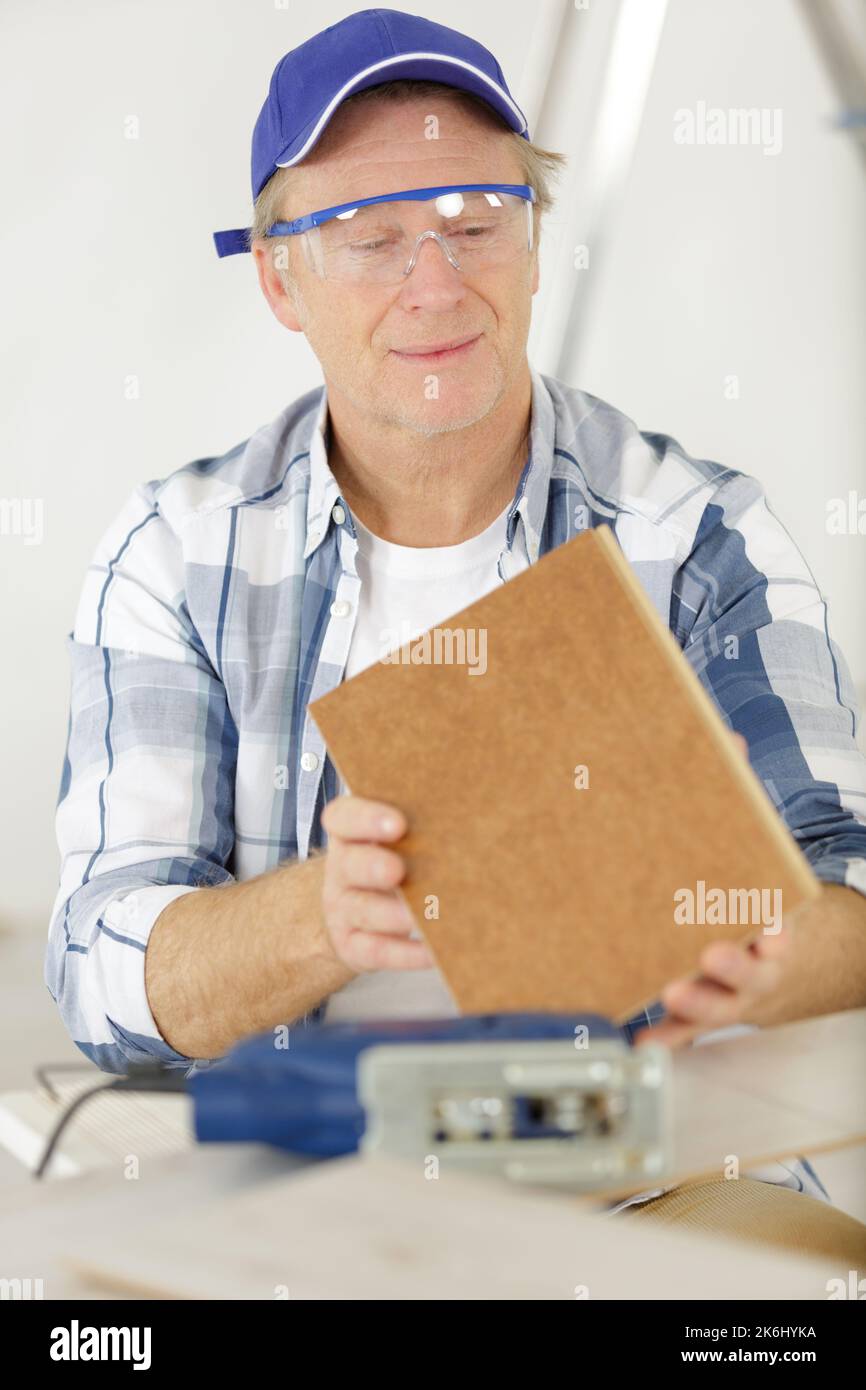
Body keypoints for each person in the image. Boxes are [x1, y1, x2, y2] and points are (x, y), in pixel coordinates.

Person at [47, 9, 866, 1260]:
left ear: (534, 245)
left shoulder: (700, 534)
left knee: (797, 1296)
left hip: (654, 1173)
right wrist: (321, 916)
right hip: (305, 1184)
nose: (437, 285)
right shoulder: (175, 551)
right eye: (371, 241)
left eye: (476, 226)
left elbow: (848, 893)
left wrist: (751, 954)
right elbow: (104, 978)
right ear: (279, 276)